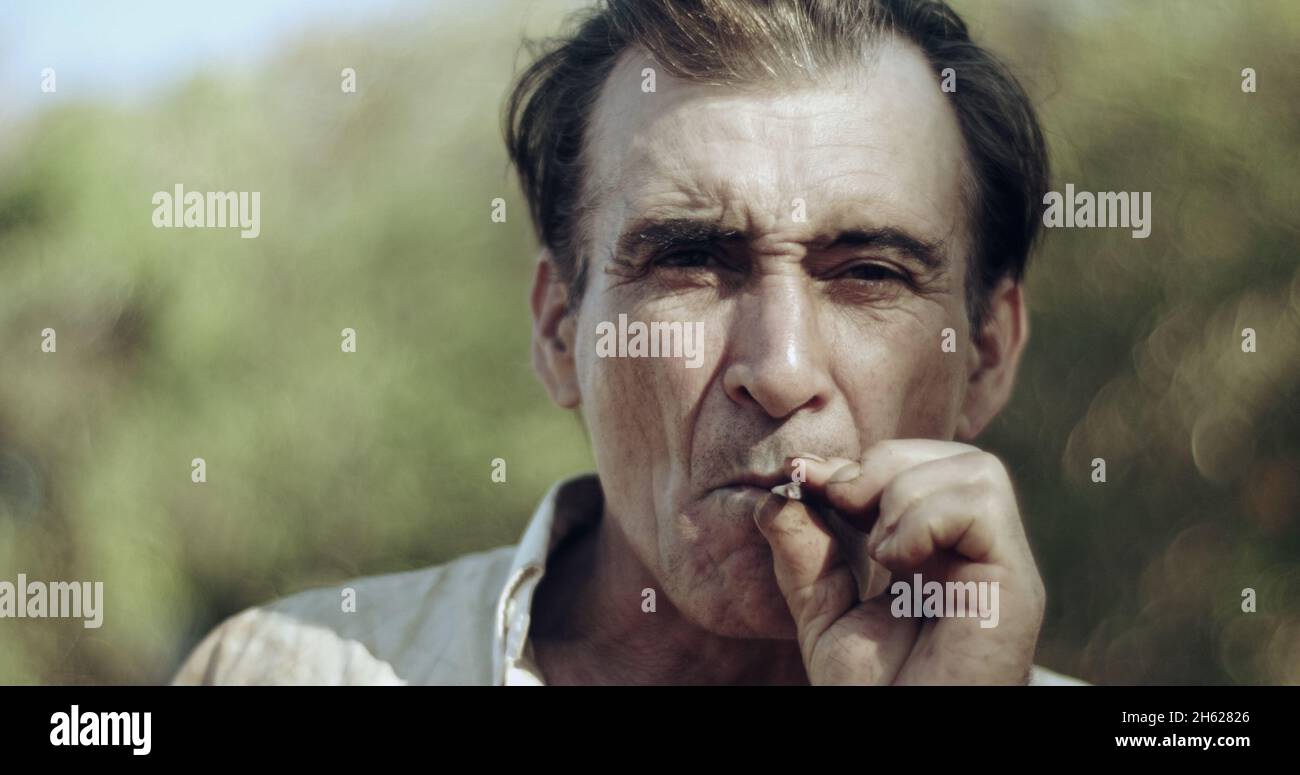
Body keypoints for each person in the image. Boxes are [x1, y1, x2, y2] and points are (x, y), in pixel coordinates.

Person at [173, 0, 1085, 686]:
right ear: (559, 331)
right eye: (691, 261)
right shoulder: (282, 670)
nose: (781, 371)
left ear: (990, 354)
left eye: (870, 274)